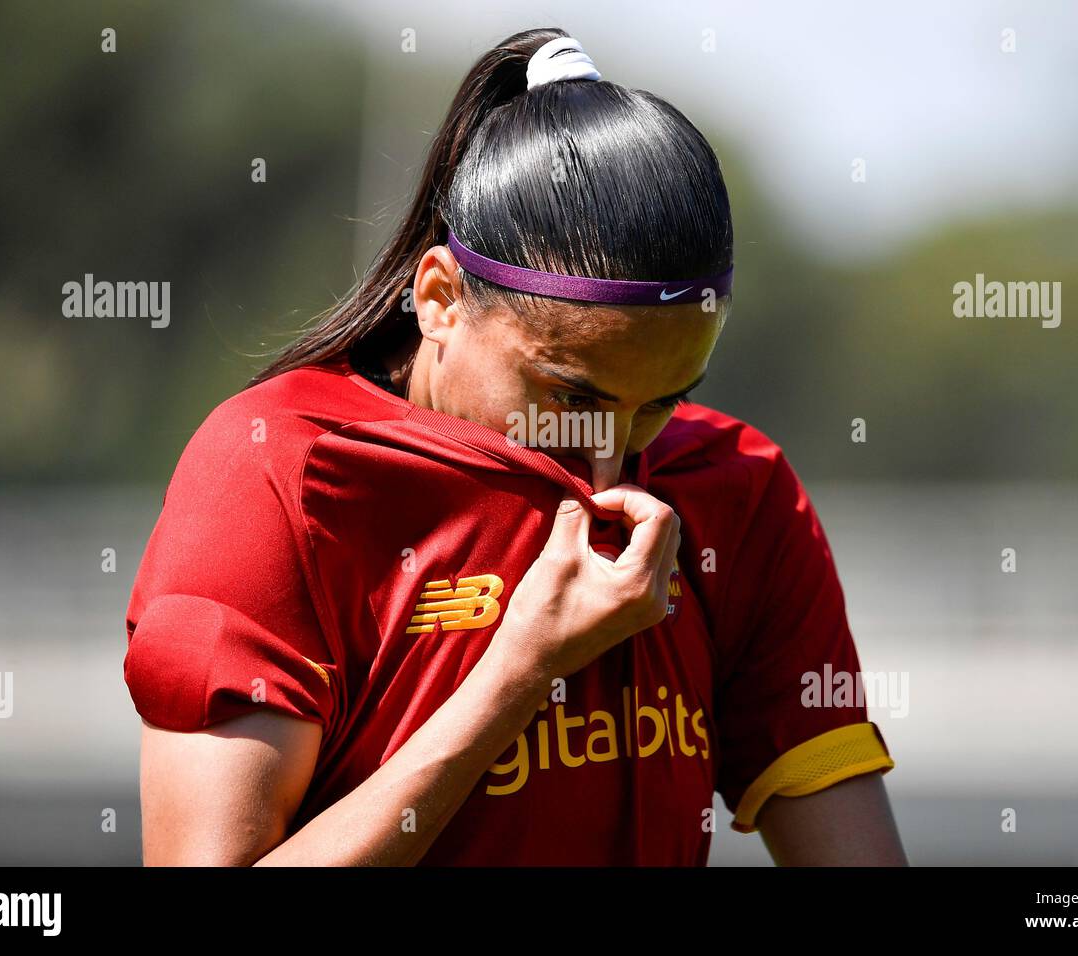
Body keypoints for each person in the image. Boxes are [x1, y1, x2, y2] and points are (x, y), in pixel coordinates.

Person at [123, 28, 906, 866]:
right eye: (572, 397)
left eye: (661, 405)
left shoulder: (738, 489)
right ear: (440, 301)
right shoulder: (275, 472)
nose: (605, 471)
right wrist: (519, 670)